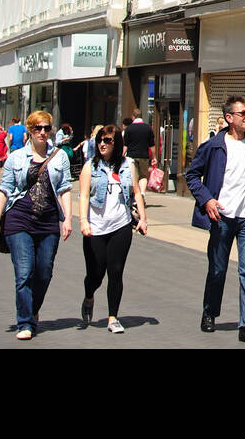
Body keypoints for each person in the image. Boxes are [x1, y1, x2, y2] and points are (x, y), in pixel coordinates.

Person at [185, 96, 245, 344]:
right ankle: (210, 312)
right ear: (229, 118)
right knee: (217, 270)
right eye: (243, 113)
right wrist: (207, 200)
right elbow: (192, 175)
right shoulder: (214, 146)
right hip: (222, 217)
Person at [0, 110, 73, 340]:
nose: (43, 132)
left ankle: (33, 309)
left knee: (44, 271)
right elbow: (4, 191)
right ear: (29, 130)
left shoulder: (60, 157)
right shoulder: (16, 157)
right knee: (24, 272)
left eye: (46, 128)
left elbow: (65, 188)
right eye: (38, 128)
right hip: (19, 219)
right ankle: (25, 322)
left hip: (48, 222)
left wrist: (68, 219)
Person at [78, 124, 145, 334]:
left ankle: (113, 317)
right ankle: (89, 296)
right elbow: (84, 196)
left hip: (120, 225)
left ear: (117, 144)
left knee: (115, 272)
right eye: (100, 140)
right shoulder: (90, 166)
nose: (102, 144)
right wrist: (83, 221)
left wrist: (142, 218)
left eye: (107, 140)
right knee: (96, 274)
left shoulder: (128, 165)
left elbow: (135, 192)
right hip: (96, 228)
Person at [122, 108, 155, 199]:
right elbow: (152, 145)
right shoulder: (148, 128)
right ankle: (142, 193)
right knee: (143, 176)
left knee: (133, 176)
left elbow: (125, 145)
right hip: (144, 156)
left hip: (131, 156)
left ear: (133, 117)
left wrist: (122, 155)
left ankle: (135, 196)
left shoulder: (129, 129)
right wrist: (154, 157)